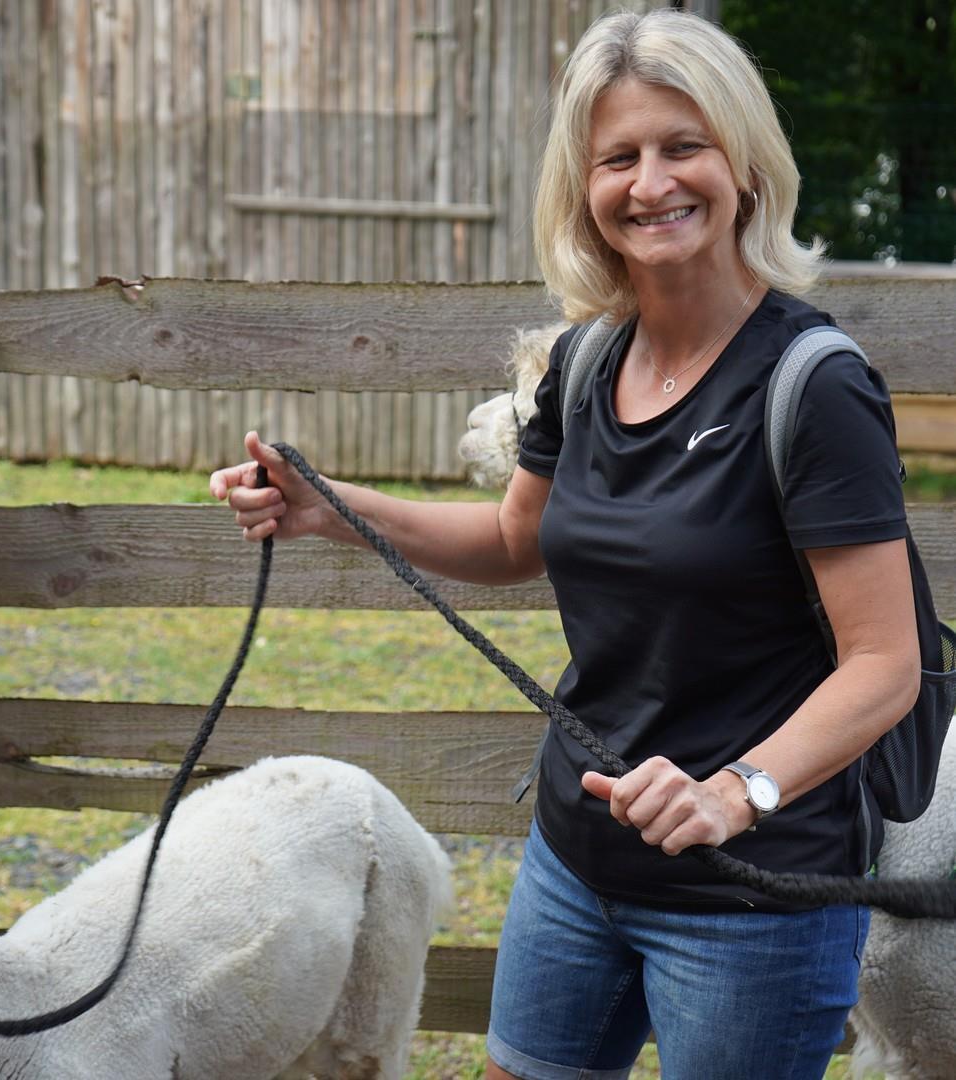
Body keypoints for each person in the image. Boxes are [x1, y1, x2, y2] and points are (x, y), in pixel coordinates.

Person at [209, 10, 920, 1079]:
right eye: (617, 157)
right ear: (582, 187)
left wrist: (732, 794)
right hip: (575, 867)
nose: (651, 183)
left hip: (753, 896)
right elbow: (514, 539)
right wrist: (329, 506)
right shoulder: (585, 362)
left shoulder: (812, 388)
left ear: (744, 165)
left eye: (683, 146)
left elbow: (884, 663)